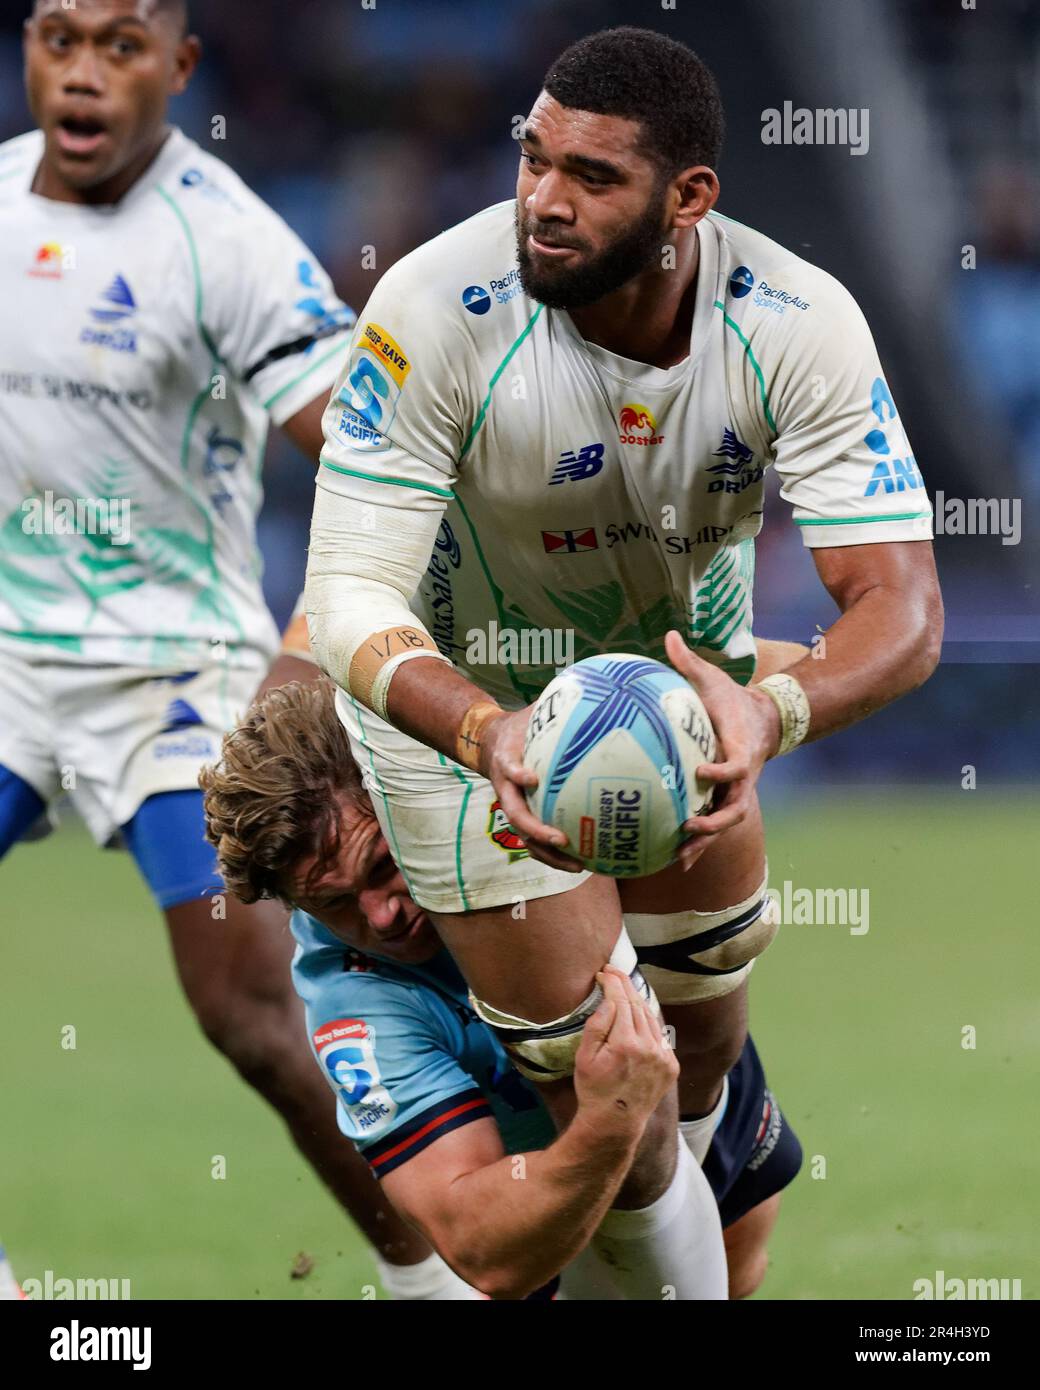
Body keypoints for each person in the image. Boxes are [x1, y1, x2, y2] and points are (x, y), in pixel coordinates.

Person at [304, 23, 942, 1289]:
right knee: (603, 1093)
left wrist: (770, 714)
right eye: (532, 160)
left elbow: (899, 608)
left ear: (687, 199)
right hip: (461, 717)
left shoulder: (798, 321)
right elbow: (344, 597)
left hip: (683, 715)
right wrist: (486, 733)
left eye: (591, 178)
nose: (542, 200)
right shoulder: (432, 307)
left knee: (687, 1079)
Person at [0, 0, 454, 1296]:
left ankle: (437, 1273)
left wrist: (336, 641)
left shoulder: (232, 245)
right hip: (7, 660)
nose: (83, 73)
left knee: (250, 1013)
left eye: (121, 46)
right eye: (58, 38)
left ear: (180, 66)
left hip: (175, 672)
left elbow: (371, 458)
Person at [201, 675, 804, 1300]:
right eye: (333, 904)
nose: (380, 917)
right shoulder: (354, 1002)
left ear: (409, 804)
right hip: (550, 1193)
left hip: (698, 1080)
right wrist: (606, 1125)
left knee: (739, 1271)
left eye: (382, 865)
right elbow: (481, 1250)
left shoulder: (531, 779)